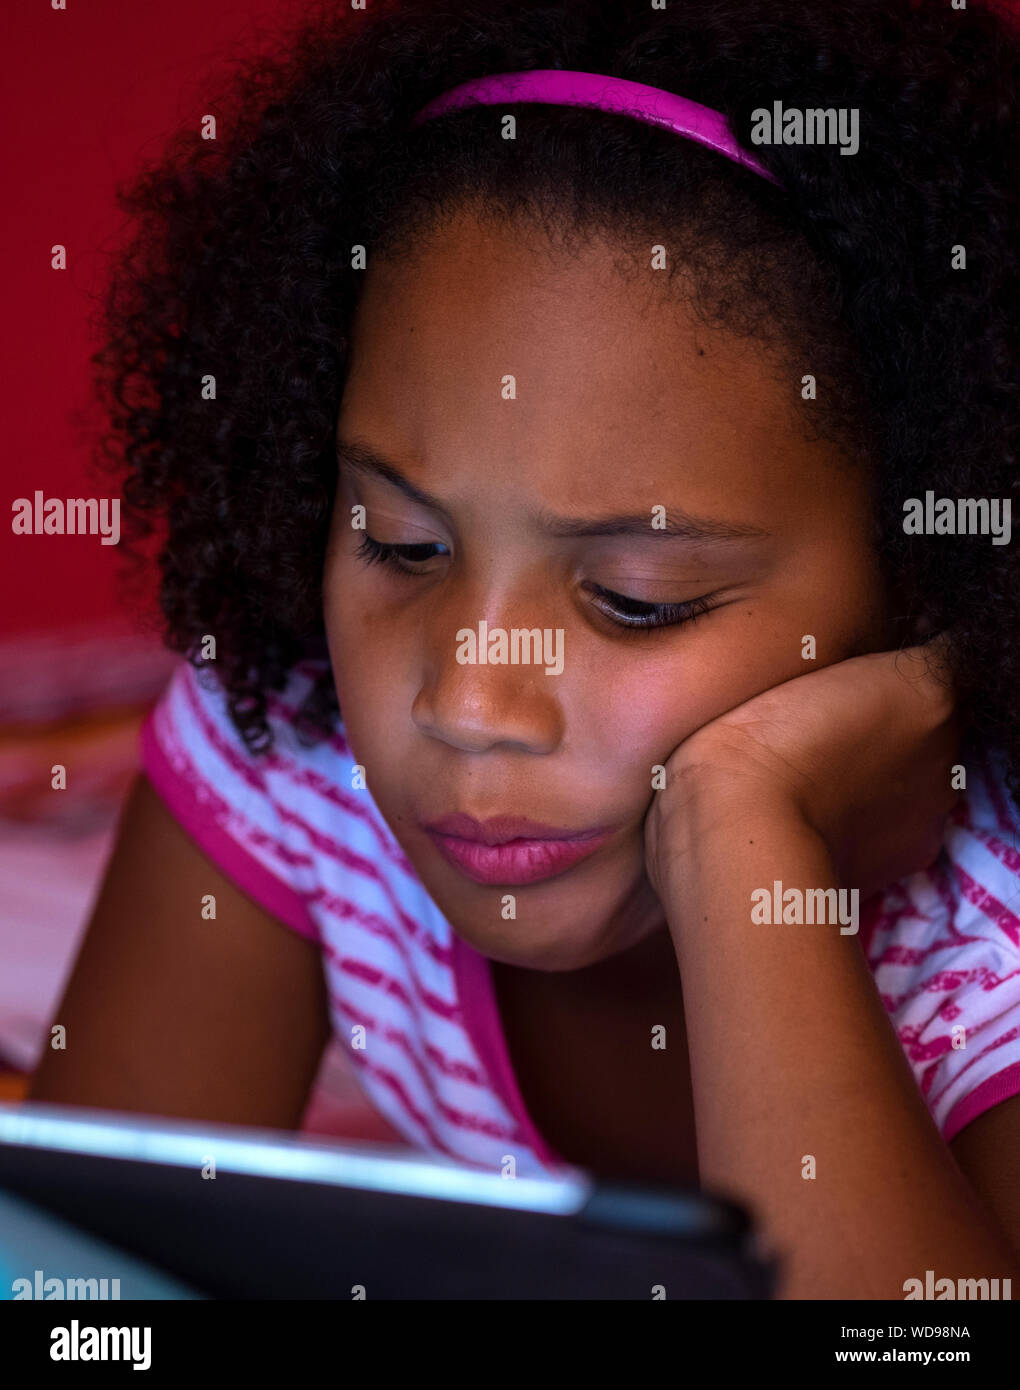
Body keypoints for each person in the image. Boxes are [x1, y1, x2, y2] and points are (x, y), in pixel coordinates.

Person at [29, 0, 1020, 1298]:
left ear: (926, 576)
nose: (466, 697)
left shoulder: (987, 944)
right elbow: (73, 1298)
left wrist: (744, 835)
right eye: (401, 545)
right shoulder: (299, 756)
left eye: (636, 596)